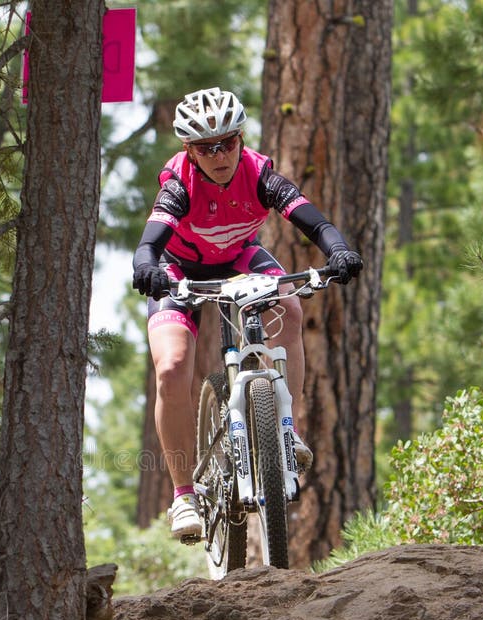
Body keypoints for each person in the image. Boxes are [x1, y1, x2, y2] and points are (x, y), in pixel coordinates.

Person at [133, 87, 362, 539]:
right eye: (206, 147)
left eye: (228, 143)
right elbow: (150, 242)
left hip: (240, 259)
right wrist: (146, 267)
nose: (219, 155)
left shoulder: (260, 175)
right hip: (177, 270)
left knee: (292, 309)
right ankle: (183, 496)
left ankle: (285, 429)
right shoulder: (180, 185)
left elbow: (313, 221)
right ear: (189, 151)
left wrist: (338, 250)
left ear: (241, 138)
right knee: (172, 368)